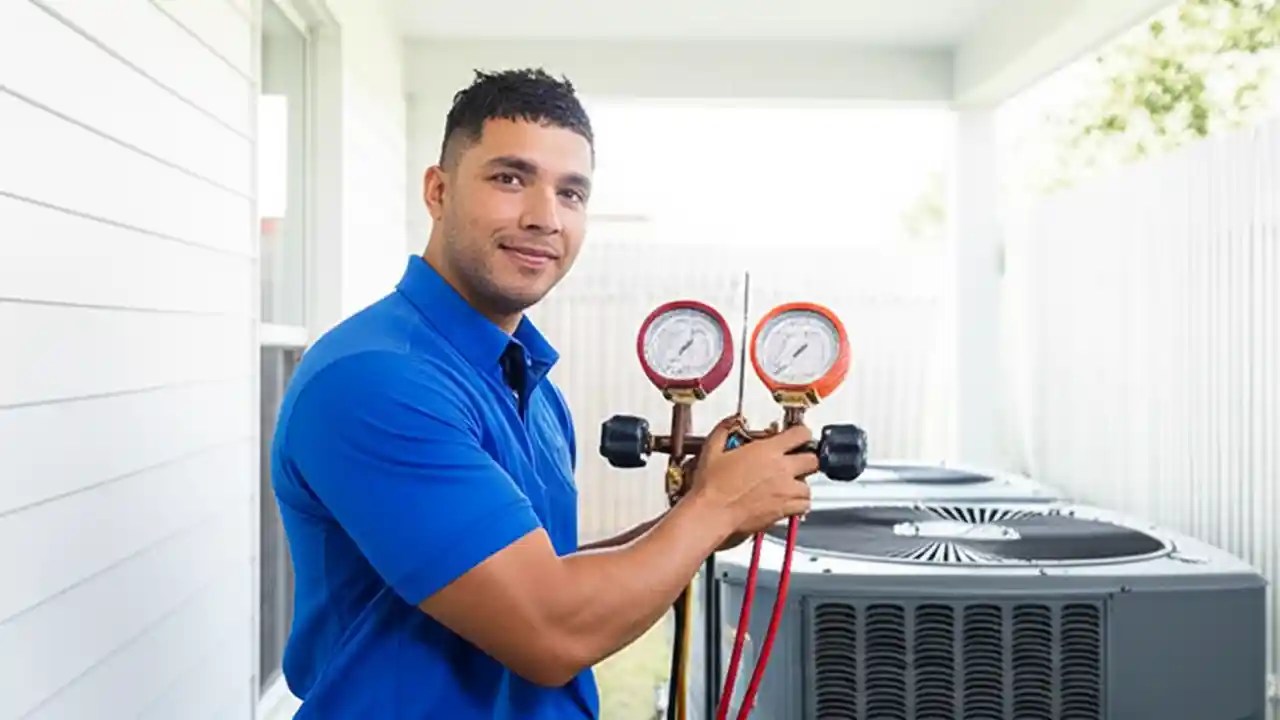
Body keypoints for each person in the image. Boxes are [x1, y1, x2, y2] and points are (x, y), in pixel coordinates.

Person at [269, 67, 817, 719]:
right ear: (438, 191)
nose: (544, 218)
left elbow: (539, 576)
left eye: (571, 193)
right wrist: (715, 510)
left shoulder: (526, 380)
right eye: (509, 178)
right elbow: (551, 630)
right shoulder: (374, 379)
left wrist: (694, 515)